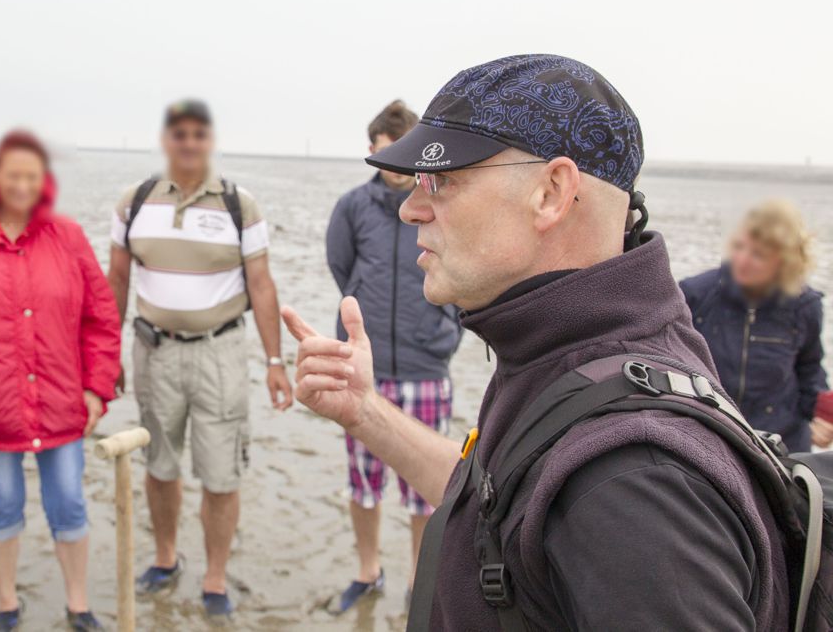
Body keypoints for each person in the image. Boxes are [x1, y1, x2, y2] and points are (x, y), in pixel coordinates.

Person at [283, 55, 791, 630]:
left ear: (551, 192)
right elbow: (500, 501)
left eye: (441, 180)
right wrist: (365, 411)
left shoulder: (634, 482)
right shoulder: (572, 349)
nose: (411, 209)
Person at [106, 99, 293, 620]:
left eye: (198, 134)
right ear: (166, 141)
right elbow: (116, 279)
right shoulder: (134, 202)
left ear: (209, 141)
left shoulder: (239, 205)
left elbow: (262, 284)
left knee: (222, 473)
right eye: (179, 134)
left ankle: (214, 578)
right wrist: (107, 351)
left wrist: (275, 361)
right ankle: (165, 558)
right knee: (159, 465)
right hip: (153, 353)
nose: (188, 143)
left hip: (221, 354)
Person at [0, 131, 121, 632]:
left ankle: (78, 604)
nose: (22, 185)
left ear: (44, 181)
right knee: (1, 504)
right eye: (13, 175)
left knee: (70, 502)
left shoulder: (69, 236)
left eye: (31, 177)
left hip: (62, 401)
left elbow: (101, 319)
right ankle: (6, 603)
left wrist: (96, 389)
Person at [324, 100, 461, 613]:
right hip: (366, 371)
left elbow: (462, 273)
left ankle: (417, 582)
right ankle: (368, 571)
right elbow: (342, 268)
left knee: (427, 488)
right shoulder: (352, 207)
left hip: (427, 368)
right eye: (385, 153)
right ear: (372, 150)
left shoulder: (441, 206)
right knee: (363, 485)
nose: (394, 164)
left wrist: (442, 330)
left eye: (404, 152)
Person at [681, 199, 827, 453]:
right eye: (739, 246)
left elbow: (810, 367)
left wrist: (823, 415)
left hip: (782, 442)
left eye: (758, 254)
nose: (742, 259)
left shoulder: (805, 307)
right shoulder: (694, 294)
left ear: (785, 262)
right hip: (712, 434)